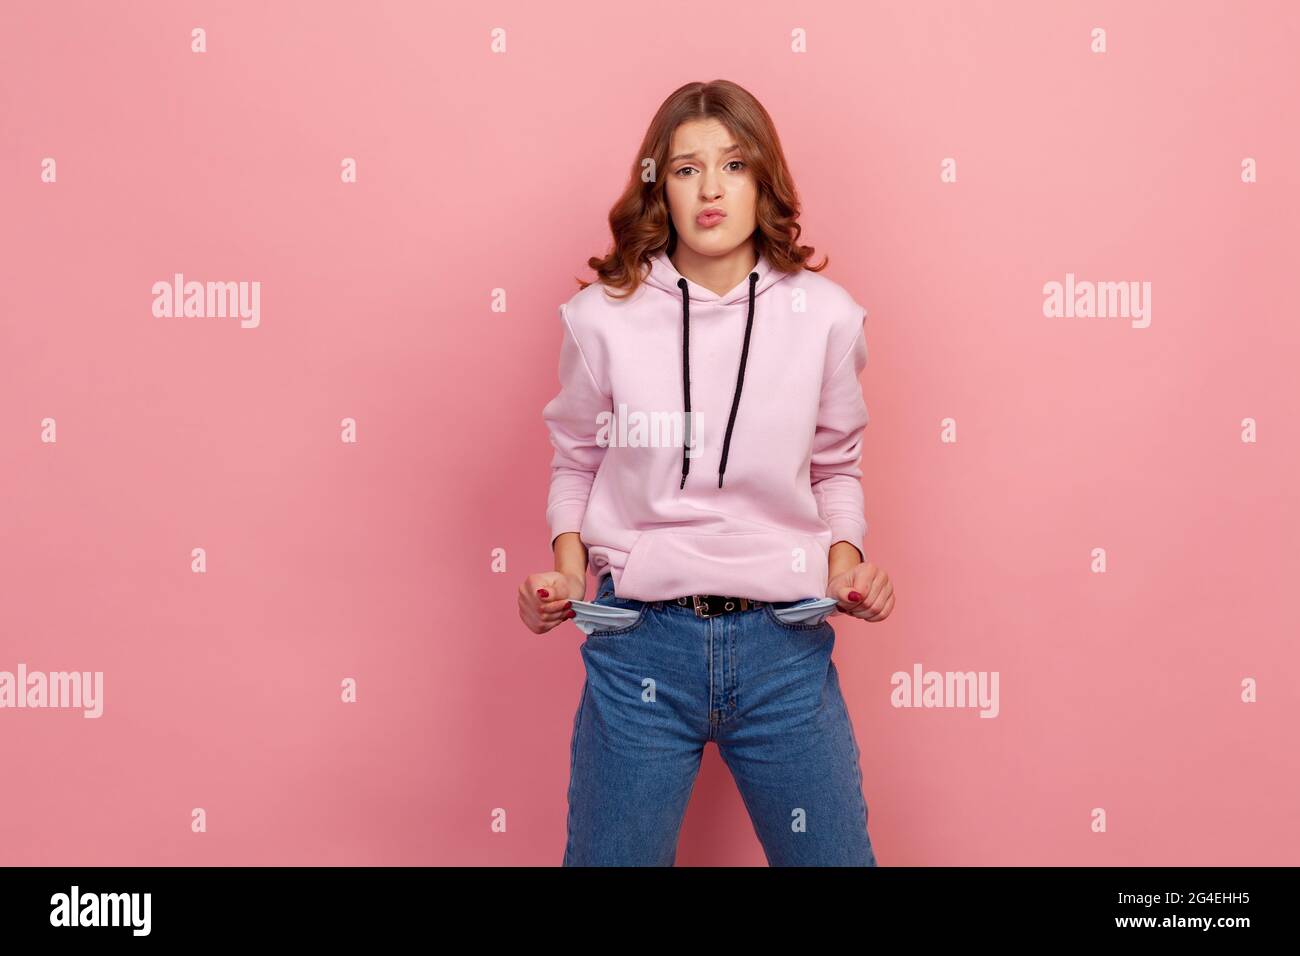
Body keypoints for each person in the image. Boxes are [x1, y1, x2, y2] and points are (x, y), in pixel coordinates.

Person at [518, 79, 895, 866]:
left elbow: (836, 467)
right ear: (660, 187)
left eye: (734, 164)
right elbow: (578, 458)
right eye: (686, 170)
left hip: (783, 649)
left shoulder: (827, 316)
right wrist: (563, 569)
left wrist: (849, 563)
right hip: (640, 649)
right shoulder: (600, 319)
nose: (712, 188)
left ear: (765, 179)